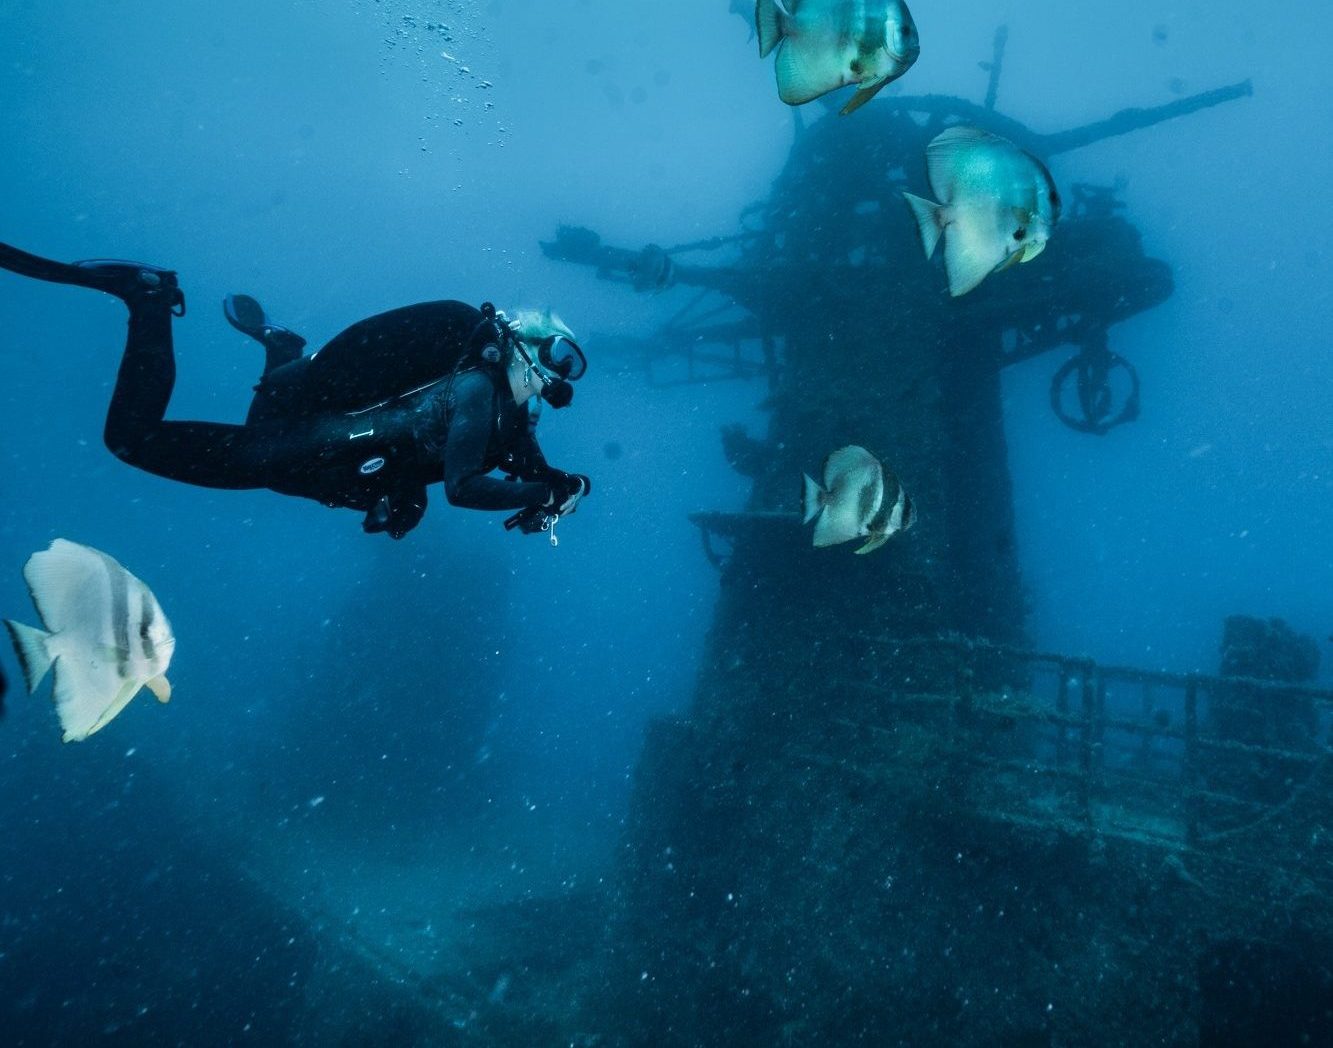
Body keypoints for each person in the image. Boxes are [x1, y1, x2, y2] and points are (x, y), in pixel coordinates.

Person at [0, 243, 591, 540]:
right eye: (558, 355)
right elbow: (463, 487)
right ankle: (148, 300)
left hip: (310, 448)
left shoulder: (510, 415)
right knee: (132, 439)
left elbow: (522, 468)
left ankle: (283, 352)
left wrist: (558, 487)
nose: (557, 374)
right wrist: (543, 490)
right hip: (300, 447)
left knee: (269, 419)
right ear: (524, 343)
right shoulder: (476, 389)